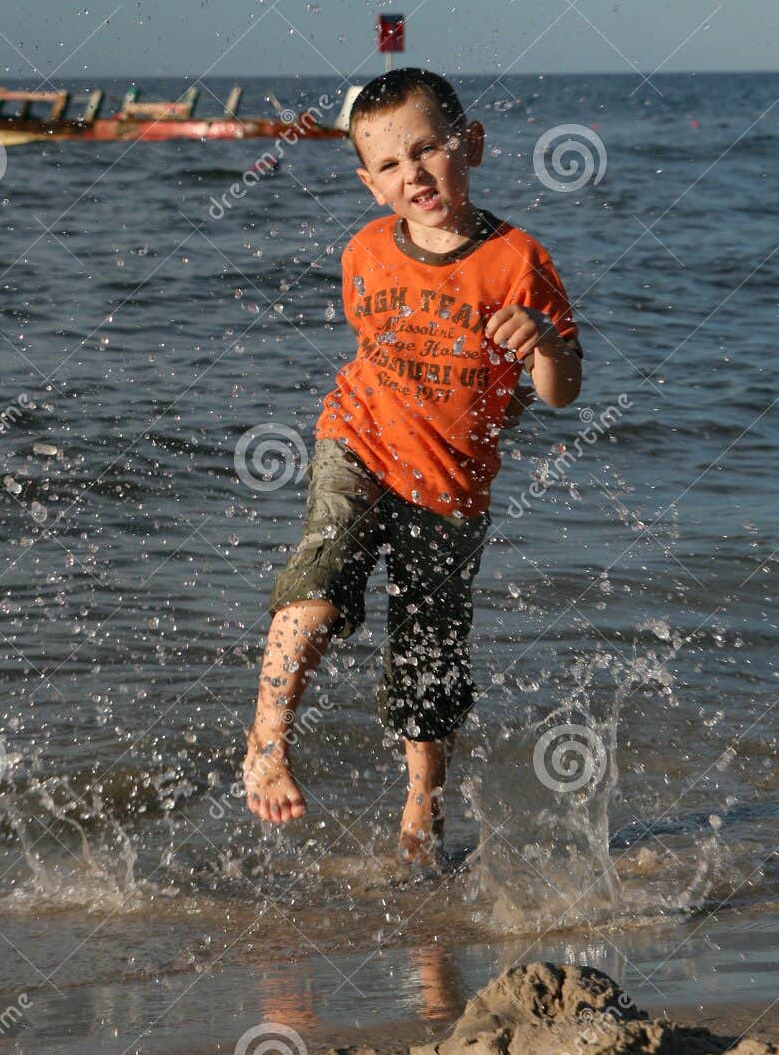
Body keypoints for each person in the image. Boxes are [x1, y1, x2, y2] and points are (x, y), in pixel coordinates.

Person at [243, 67, 583, 859]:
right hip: (357, 442)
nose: (414, 175)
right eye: (391, 165)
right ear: (369, 183)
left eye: (427, 151)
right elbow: (372, 348)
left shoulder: (518, 262)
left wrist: (542, 343)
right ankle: (265, 742)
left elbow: (563, 393)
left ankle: (420, 812)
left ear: (471, 146)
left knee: (429, 661)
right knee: (319, 582)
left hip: (452, 486)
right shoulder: (364, 251)